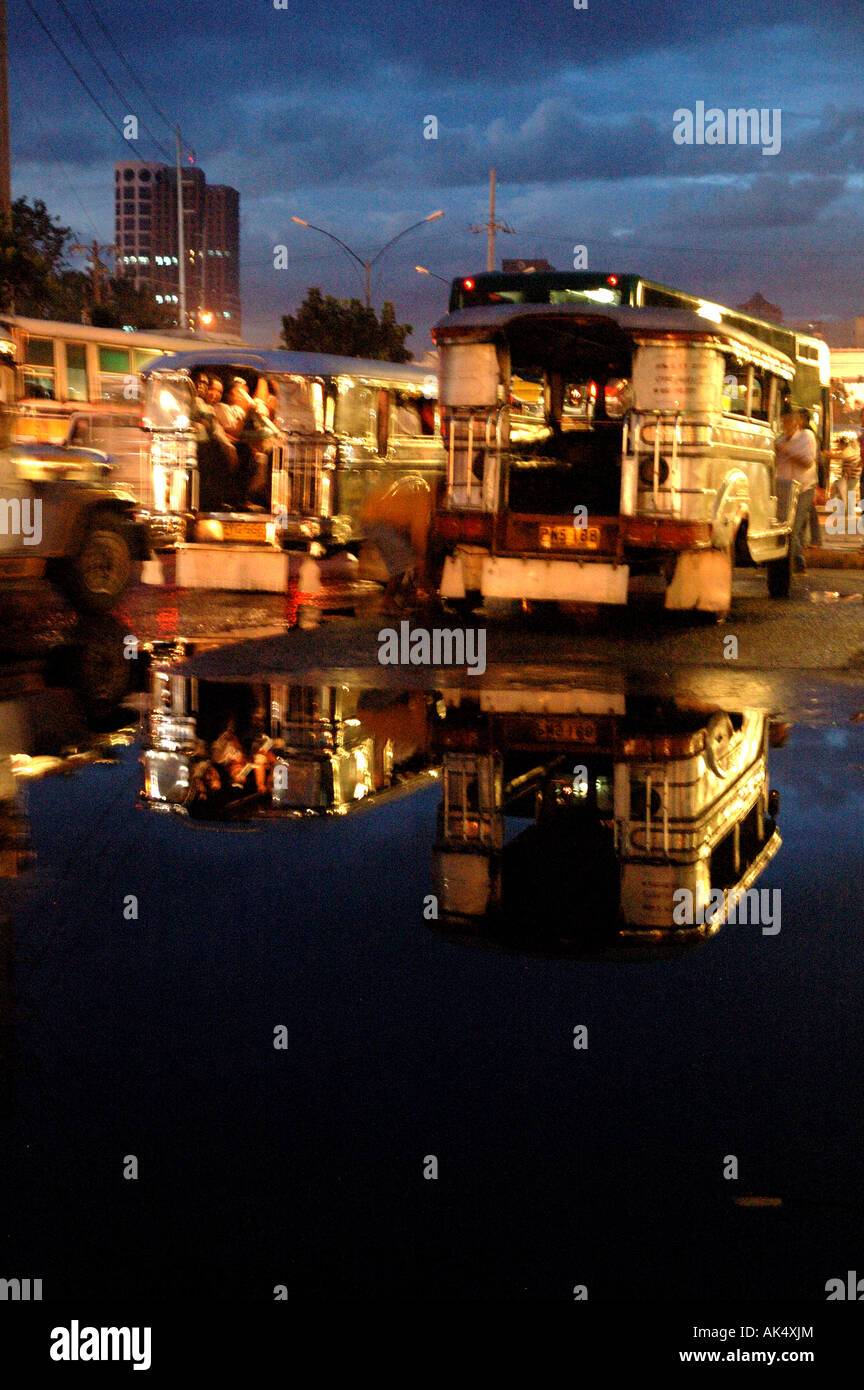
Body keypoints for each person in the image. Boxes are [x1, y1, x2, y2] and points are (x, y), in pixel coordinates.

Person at [775, 408, 817, 575]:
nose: (785, 426)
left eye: (788, 422)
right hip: (784, 488)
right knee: (786, 527)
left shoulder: (807, 437)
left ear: (796, 422)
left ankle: (797, 562)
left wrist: (785, 451)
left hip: (803, 488)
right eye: (783, 423)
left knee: (793, 527)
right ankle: (794, 562)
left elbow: (807, 462)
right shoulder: (780, 439)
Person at [796, 408, 822, 547]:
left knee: (805, 512)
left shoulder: (808, 435)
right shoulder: (801, 434)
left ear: (804, 420)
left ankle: (808, 540)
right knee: (807, 512)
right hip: (804, 480)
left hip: (808, 480)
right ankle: (811, 540)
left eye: (798, 417)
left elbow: (810, 460)